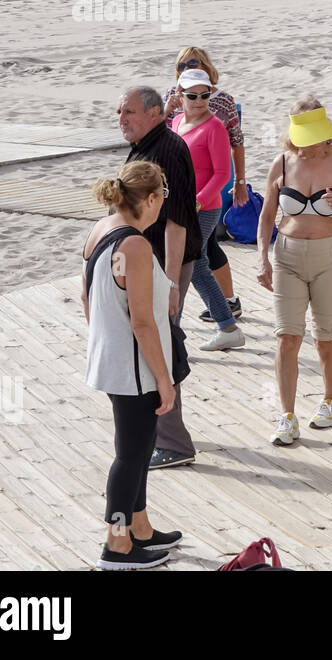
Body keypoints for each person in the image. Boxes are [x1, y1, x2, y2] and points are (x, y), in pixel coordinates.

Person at [82, 160, 180, 569]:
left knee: (135, 450)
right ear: (153, 198)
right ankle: (116, 543)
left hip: (109, 359)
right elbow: (142, 321)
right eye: (164, 198)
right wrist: (164, 378)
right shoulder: (136, 246)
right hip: (135, 369)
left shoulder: (101, 229)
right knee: (131, 455)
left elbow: (87, 297)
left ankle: (139, 528)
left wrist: (106, 340)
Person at [256, 98, 332, 446]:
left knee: (325, 340)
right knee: (287, 338)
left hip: (331, 256)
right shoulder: (282, 164)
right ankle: (287, 416)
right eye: (302, 139)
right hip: (287, 255)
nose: (308, 146)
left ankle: (331, 401)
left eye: (314, 138)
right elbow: (266, 216)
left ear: (327, 133)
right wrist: (263, 257)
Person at [119, 86, 200, 470]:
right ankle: (165, 427)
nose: (122, 119)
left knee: (160, 346)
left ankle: (174, 441)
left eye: (129, 112)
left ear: (154, 112)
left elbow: (177, 223)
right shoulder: (144, 144)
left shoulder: (167, 149)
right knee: (155, 343)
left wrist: (169, 283)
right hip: (146, 261)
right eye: (120, 112)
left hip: (164, 264)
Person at [161, 47, 246, 323]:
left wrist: (239, 183)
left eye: (204, 95)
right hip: (179, 201)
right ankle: (225, 320)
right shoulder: (174, 116)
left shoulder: (217, 116)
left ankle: (198, 322)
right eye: (182, 64)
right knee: (195, 259)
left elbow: (232, 152)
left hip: (204, 203)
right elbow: (160, 144)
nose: (199, 100)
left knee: (195, 261)